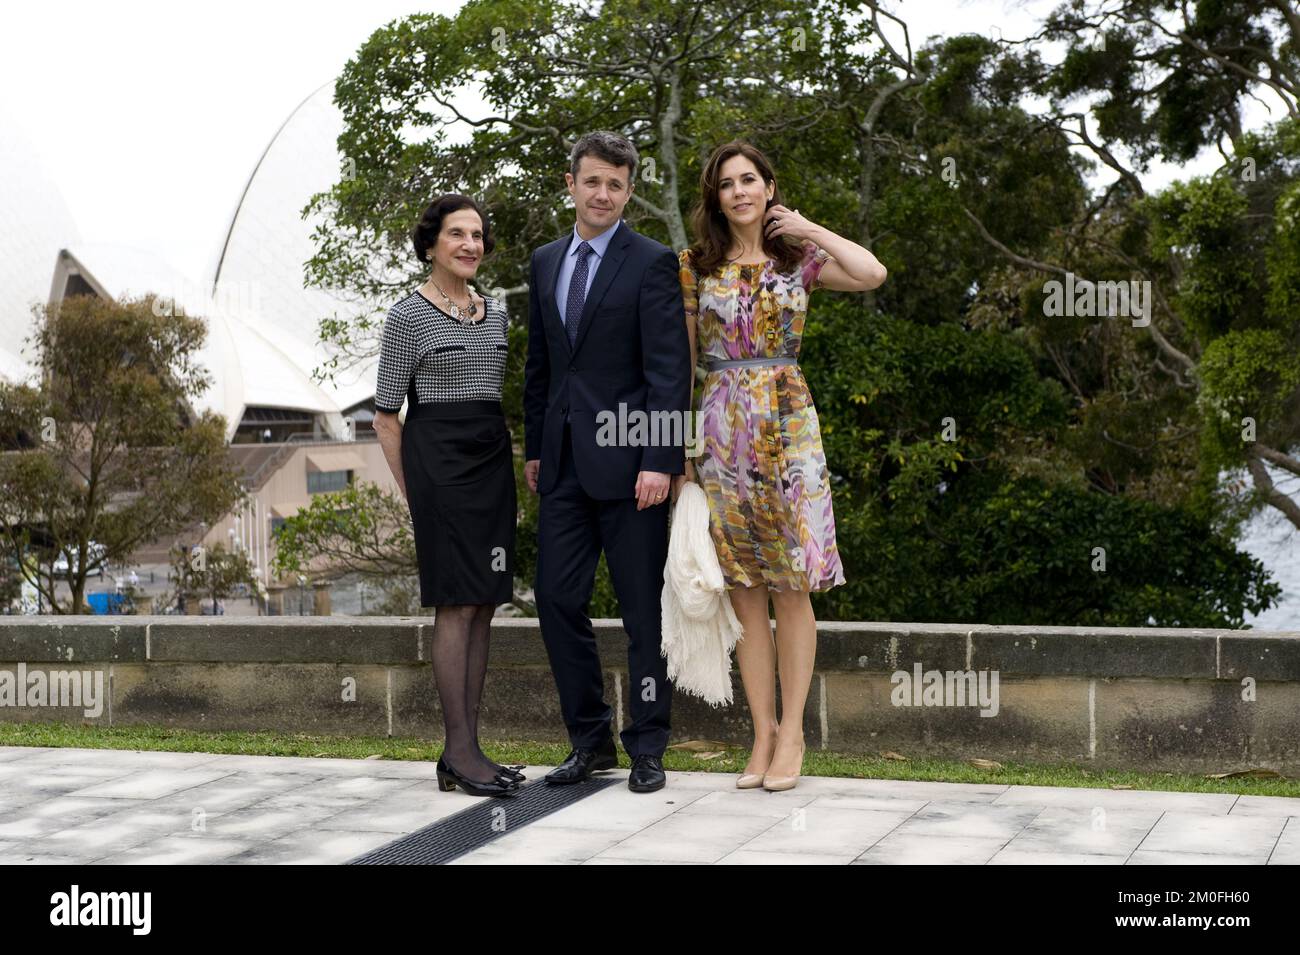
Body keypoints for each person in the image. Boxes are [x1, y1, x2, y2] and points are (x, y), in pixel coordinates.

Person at [678, 141, 887, 791]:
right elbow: (684, 369)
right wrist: (685, 456)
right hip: (721, 433)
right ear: (714, 197)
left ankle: (794, 730)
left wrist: (806, 226)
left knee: (791, 585)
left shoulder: (800, 260)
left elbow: (873, 272)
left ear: (770, 187)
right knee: (745, 590)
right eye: (726, 184)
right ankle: (761, 732)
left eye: (750, 180)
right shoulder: (696, 267)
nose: (738, 191)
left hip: (789, 426)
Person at [523, 131, 692, 793]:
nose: (603, 193)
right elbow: (542, 367)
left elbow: (669, 371)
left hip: (634, 472)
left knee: (643, 614)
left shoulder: (651, 261)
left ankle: (648, 745)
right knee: (555, 600)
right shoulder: (543, 262)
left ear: (628, 191)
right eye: (592, 181)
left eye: (616, 184)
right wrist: (536, 446)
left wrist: (660, 458)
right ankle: (589, 741)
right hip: (562, 466)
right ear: (571, 183)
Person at [374, 194, 523, 798]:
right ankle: (459, 752)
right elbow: (387, 416)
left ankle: (469, 749)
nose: (471, 245)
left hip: (491, 458)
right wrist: (417, 496)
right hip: (436, 462)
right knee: (455, 605)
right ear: (431, 244)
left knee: (485, 601)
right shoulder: (407, 316)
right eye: (457, 234)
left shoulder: (497, 311)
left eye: (478, 235)